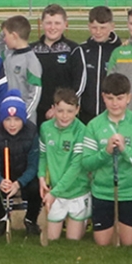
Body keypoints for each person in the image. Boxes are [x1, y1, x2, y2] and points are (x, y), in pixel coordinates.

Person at [81, 72, 132, 247]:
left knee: (129, 243)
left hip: (130, 192)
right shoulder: (94, 125)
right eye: (110, 98)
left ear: (129, 98)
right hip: (103, 192)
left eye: (120, 98)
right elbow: (86, 162)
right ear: (103, 97)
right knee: (103, 243)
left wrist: (126, 150)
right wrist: (106, 151)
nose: (115, 103)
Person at [37, 87, 91, 244]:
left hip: (77, 192)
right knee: (53, 239)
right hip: (56, 192)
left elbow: (76, 166)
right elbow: (42, 155)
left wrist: (54, 193)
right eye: (60, 111)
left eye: (69, 111)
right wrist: (41, 178)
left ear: (77, 110)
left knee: (72, 240)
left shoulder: (82, 131)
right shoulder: (45, 128)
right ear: (53, 109)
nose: (65, 116)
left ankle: (84, 217)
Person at [0, 92, 40, 234]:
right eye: (8, 119)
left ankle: (30, 219)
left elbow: (34, 165)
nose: (12, 124)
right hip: (4, 175)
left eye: (17, 119)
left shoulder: (32, 132)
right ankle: (1, 218)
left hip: (24, 176)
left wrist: (19, 183)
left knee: (36, 188)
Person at [29, 4, 82, 123]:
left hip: (65, 114)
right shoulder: (31, 50)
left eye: (57, 23)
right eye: (48, 23)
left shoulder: (73, 49)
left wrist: (61, 108)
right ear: (42, 23)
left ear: (65, 24)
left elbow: (79, 83)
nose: (52, 27)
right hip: (35, 113)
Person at [75, 6, 123, 122]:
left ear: (112, 26)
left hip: (112, 114)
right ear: (88, 26)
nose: (98, 32)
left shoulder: (120, 50)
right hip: (85, 115)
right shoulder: (81, 50)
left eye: (103, 28)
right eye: (94, 27)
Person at [0, 14, 39, 117]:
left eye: (6, 35)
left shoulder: (31, 61)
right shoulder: (8, 55)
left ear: (14, 36)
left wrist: (23, 116)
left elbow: (35, 94)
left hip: (23, 120)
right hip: (7, 117)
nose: (4, 39)